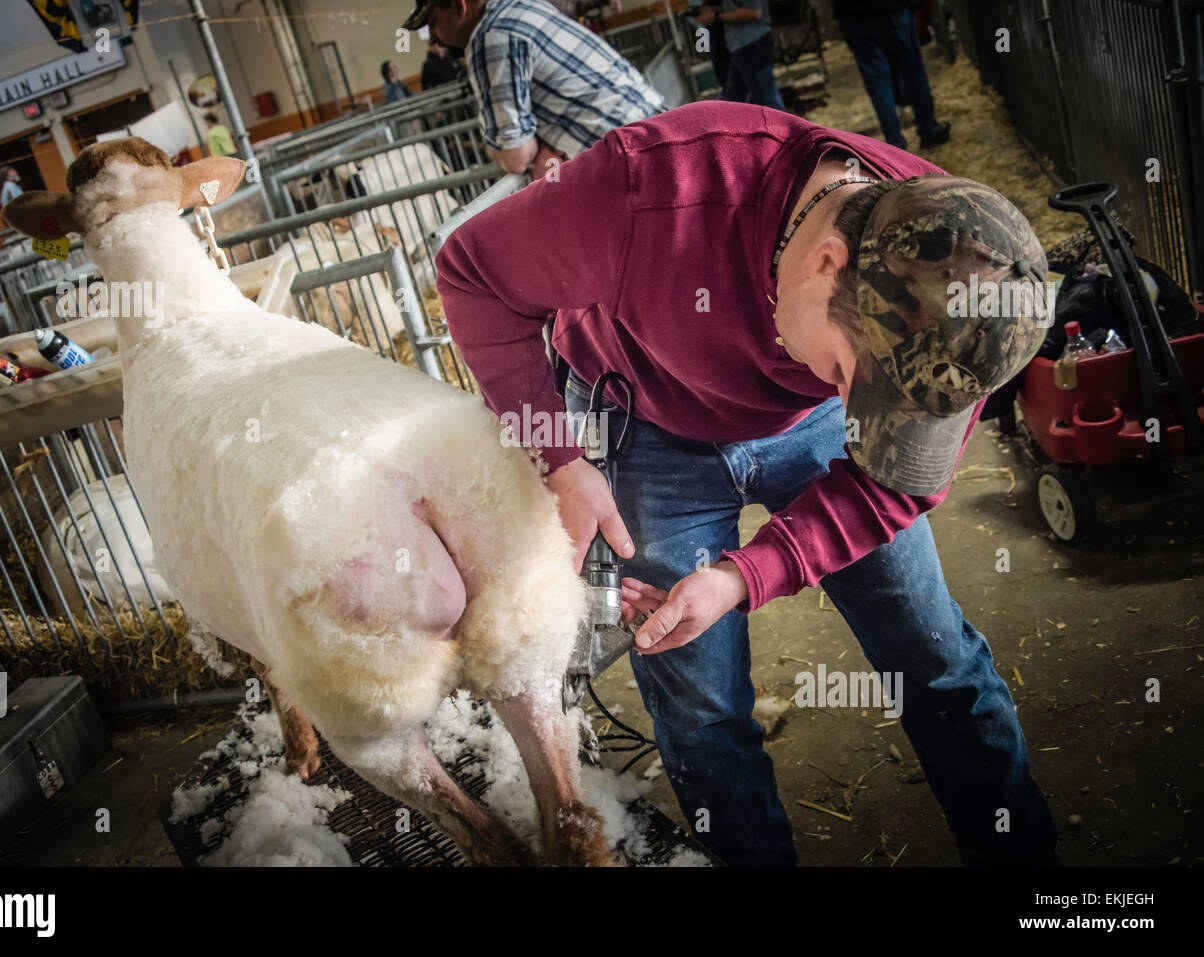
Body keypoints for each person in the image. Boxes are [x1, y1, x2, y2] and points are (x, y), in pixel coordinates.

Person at [436, 101, 1059, 867]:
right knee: (701, 703)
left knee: (934, 654)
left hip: (808, 416)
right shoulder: (652, 187)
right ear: (828, 260)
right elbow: (472, 272)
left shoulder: (964, 279)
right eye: (847, 376)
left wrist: (744, 576)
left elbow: (898, 483)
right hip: (651, 413)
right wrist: (561, 459)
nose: (852, 398)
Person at [404, 0, 665, 178]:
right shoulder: (525, 6)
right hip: (661, 134)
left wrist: (504, 149)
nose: (434, 37)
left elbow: (515, 157)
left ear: (459, 6)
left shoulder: (490, 36)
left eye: (433, 24)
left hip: (637, 161)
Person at [834, 0, 951, 150]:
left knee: (878, 84)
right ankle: (928, 129)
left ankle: (895, 143)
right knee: (913, 71)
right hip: (894, 9)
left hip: (855, 16)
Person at [697, 0, 787, 112]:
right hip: (742, 46)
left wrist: (716, 16)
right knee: (733, 98)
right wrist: (712, 11)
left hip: (751, 44)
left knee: (767, 101)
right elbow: (736, 6)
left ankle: (782, 128)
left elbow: (754, 12)